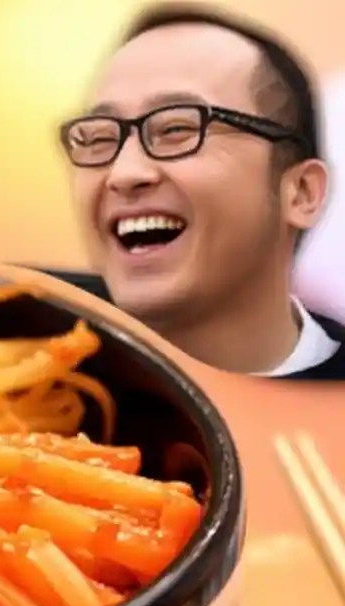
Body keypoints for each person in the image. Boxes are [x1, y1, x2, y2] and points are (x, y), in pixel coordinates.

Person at [52, 3, 345, 380]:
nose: (123, 174)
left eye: (176, 129)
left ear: (301, 193)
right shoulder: (26, 366)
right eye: (99, 138)